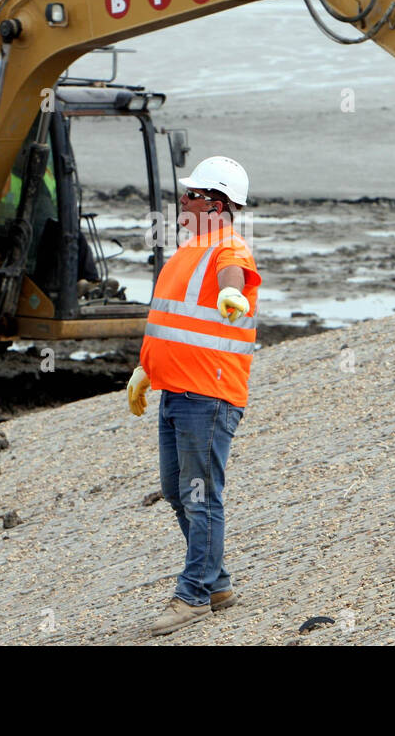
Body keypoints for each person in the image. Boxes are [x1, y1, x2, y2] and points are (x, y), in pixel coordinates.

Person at [126, 155, 260, 636]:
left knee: (201, 496)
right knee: (177, 490)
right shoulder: (187, 253)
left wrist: (235, 295)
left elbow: (233, 276)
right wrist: (146, 369)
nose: (182, 201)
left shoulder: (229, 248)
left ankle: (193, 595)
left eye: (194, 195)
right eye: (186, 194)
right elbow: (172, 323)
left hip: (209, 394)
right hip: (175, 392)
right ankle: (217, 583)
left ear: (219, 204)